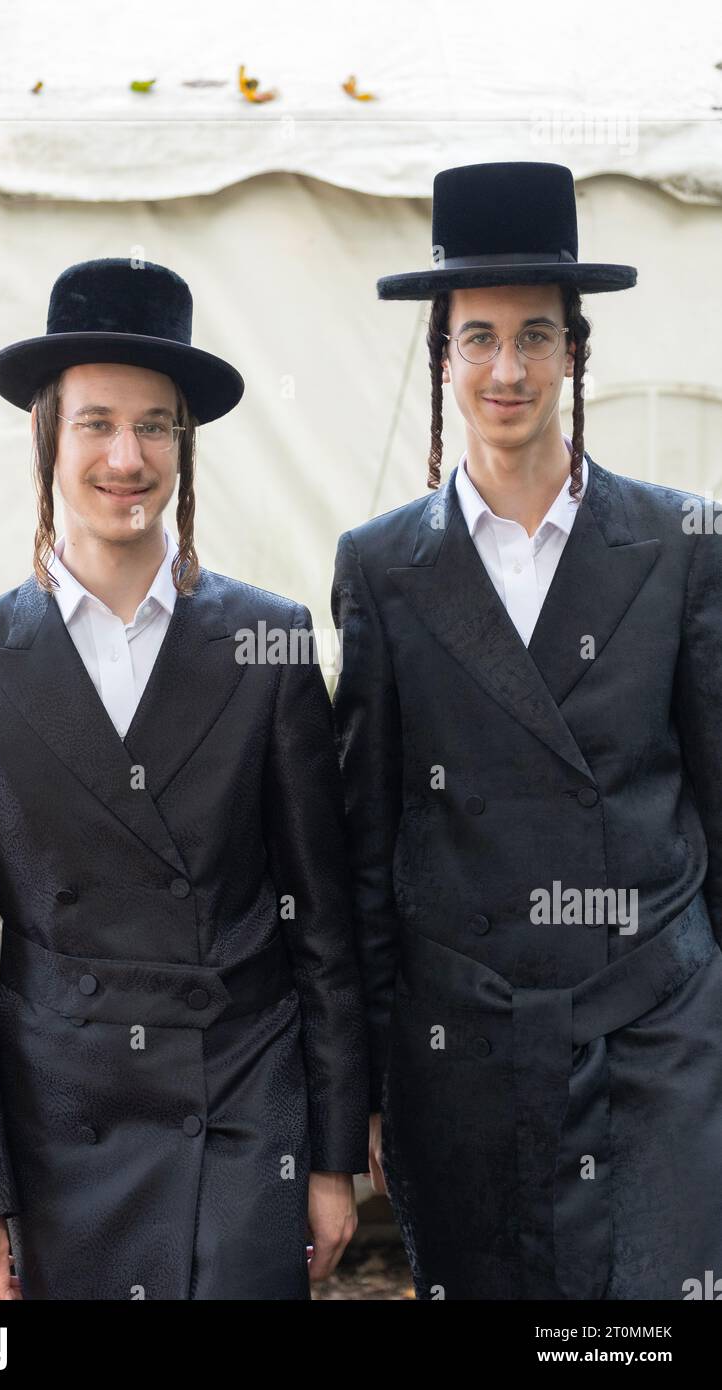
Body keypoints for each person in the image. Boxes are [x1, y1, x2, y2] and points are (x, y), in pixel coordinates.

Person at [0, 256, 369, 1300]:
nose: (127, 456)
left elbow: (322, 927)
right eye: (97, 422)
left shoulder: (270, 639)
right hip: (57, 1131)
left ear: (184, 445)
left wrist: (332, 1152)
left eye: (156, 425)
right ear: (47, 435)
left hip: (241, 1114)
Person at [330, 161, 722, 1300]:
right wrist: (355, 1079)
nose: (508, 369)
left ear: (573, 354)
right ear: (441, 356)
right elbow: (366, 835)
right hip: (465, 1047)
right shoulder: (383, 567)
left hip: (655, 1031)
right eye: (478, 337)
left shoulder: (681, 543)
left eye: (535, 337)